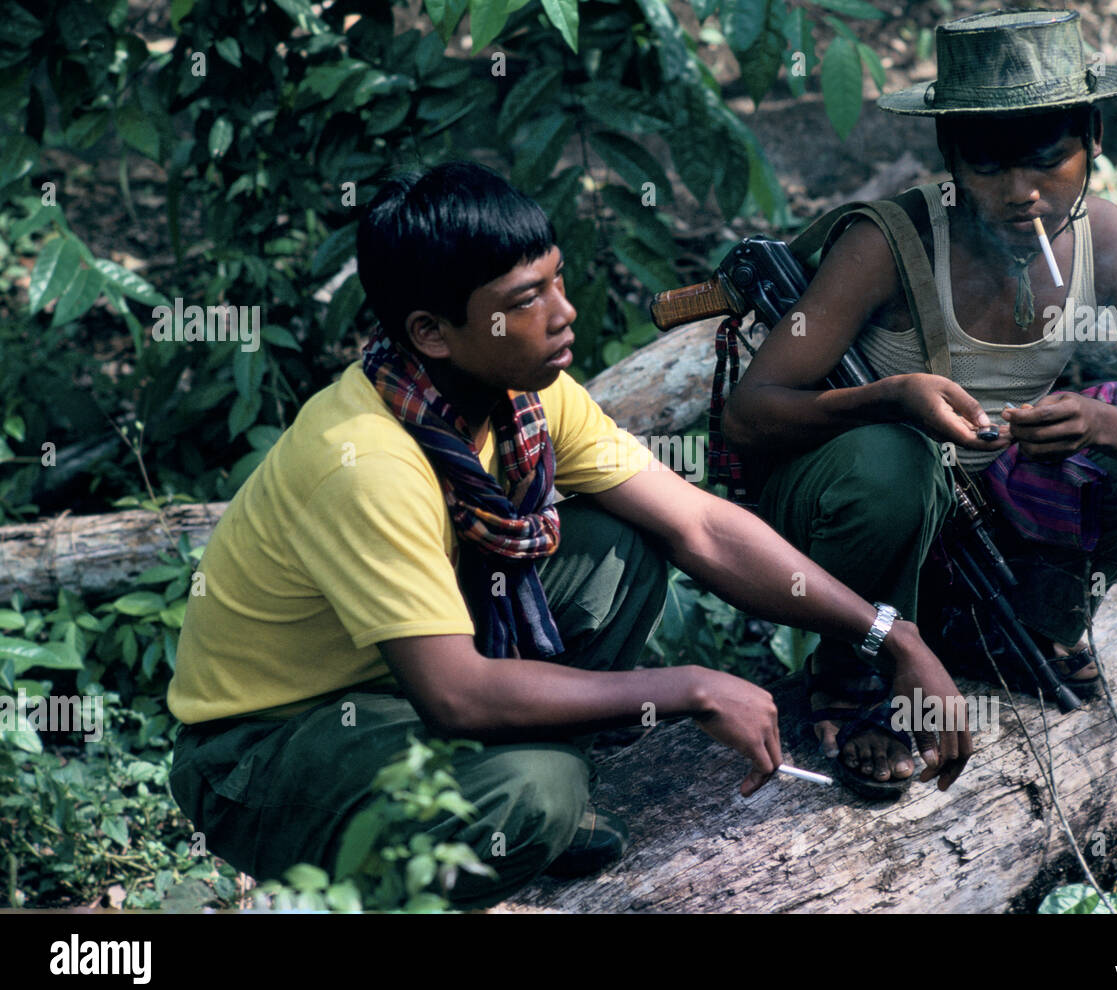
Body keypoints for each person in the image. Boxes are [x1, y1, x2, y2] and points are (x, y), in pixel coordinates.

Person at [166, 160, 972, 910]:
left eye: (556, 280)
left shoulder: (522, 398)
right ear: (432, 332)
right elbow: (455, 694)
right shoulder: (368, 463)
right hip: (266, 749)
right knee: (537, 791)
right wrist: (688, 688)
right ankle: (483, 819)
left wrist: (886, 634)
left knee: (620, 548)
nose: (565, 312)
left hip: (391, 683)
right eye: (524, 299)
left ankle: (515, 789)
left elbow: (699, 524)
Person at [722, 9, 1117, 800]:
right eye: (987, 167)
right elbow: (749, 415)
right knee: (894, 457)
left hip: (981, 514)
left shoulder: (1111, 244)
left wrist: (1096, 422)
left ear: (1092, 136)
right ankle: (854, 676)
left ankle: (1023, 622)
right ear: (949, 154)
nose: (1021, 193)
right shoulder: (889, 244)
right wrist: (887, 398)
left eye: (1046, 159)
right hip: (851, 507)